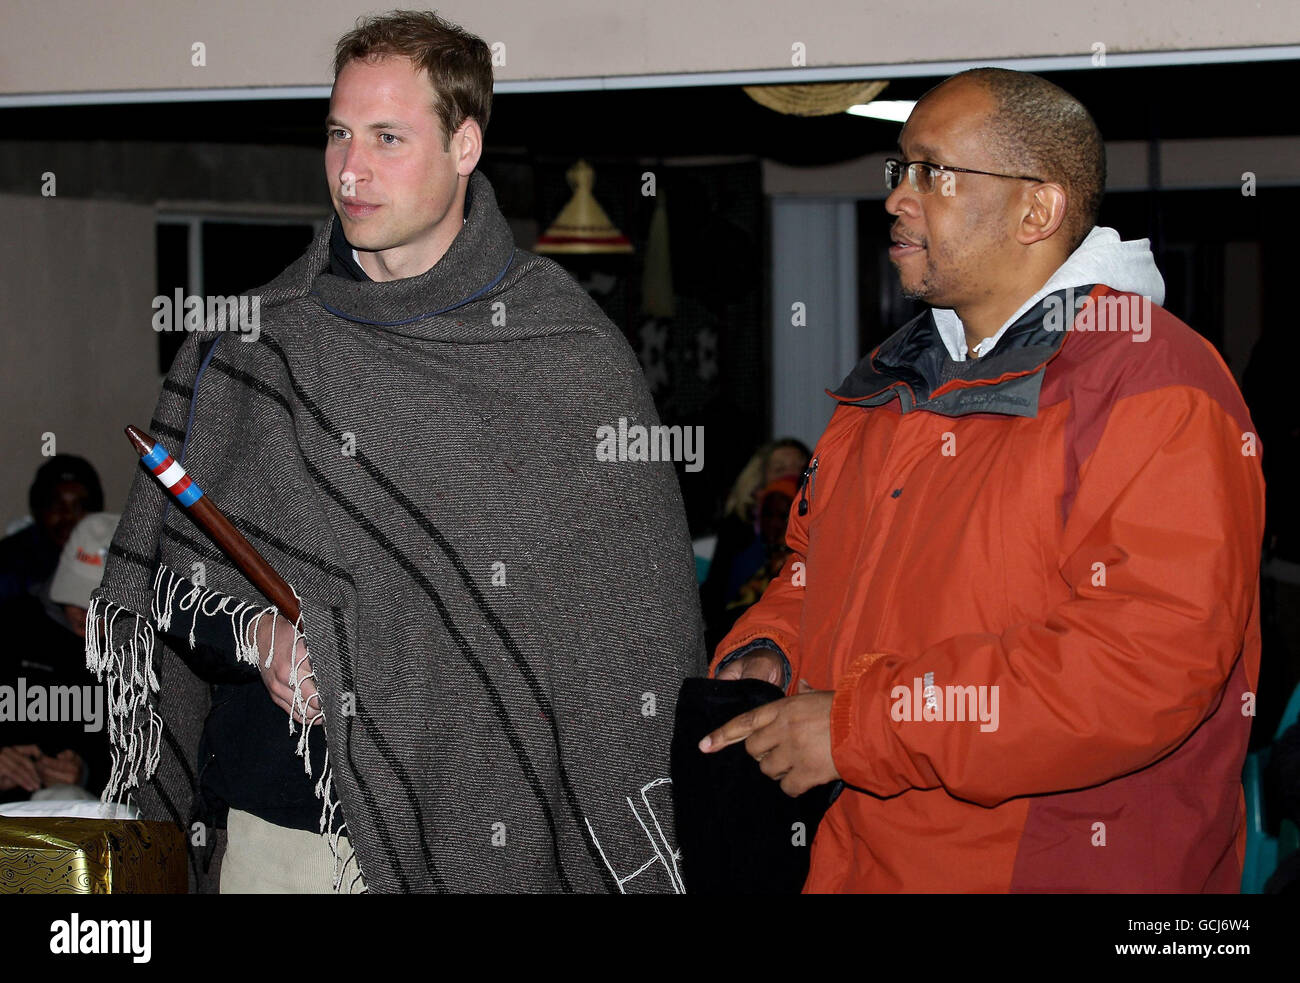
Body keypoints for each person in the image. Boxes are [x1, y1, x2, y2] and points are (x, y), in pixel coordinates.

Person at [88, 10, 703, 893]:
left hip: (496, 846)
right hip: (285, 832)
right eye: (338, 134)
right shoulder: (256, 344)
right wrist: (254, 633)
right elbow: (164, 576)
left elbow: (630, 637)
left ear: (465, 146)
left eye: (386, 137)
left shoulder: (566, 356)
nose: (351, 169)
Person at [701, 67, 1265, 892]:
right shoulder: (890, 382)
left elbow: (1142, 667)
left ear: (1037, 208)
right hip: (859, 861)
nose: (897, 197)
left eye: (934, 172)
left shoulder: (1152, 380)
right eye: (901, 169)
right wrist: (773, 649)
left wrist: (860, 728)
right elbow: (815, 570)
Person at [0, 512, 115, 803]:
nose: (83, 614)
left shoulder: (141, 655)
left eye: (96, 607)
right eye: (75, 599)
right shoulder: (10, 626)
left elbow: (152, 767)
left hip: (85, 810)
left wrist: (87, 775)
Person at [700, 438, 808, 649]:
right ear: (759, 483)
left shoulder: (819, 526)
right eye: (780, 469)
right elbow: (718, 599)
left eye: (800, 469)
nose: (791, 475)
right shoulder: (740, 529)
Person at [0, 455, 103, 605]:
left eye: (79, 507)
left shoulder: (109, 559)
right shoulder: (10, 562)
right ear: (39, 510)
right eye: (56, 505)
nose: (68, 516)